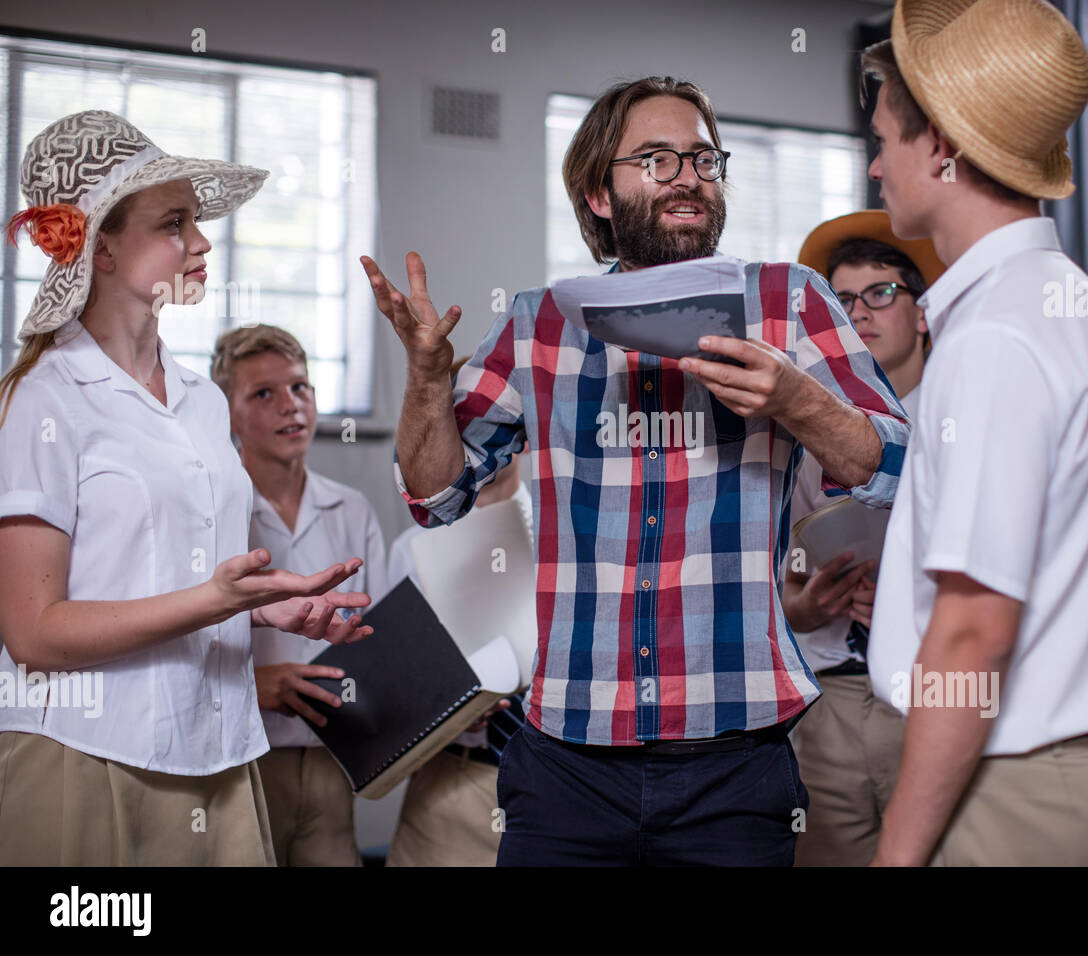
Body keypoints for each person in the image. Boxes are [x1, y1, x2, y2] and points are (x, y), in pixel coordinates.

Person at [362, 76, 910, 866]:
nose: (687, 175)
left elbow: (891, 467)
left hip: (737, 762)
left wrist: (796, 398)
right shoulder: (536, 321)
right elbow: (435, 495)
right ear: (598, 193)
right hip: (564, 765)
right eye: (655, 159)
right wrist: (424, 378)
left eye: (701, 158)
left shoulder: (791, 302)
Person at [0, 111, 373, 866]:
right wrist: (215, 602)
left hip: (219, 751)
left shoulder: (204, 401)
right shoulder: (44, 398)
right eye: (175, 223)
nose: (202, 243)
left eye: (196, 221)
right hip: (89, 754)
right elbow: (33, 633)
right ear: (99, 247)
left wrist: (279, 607)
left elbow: (181, 575)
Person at [862, 0, 1088, 866]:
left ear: (942, 149)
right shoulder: (1073, 300)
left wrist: (895, 859)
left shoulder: (994, 336)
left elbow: (973, 630)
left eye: (885, 138)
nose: (875, 165)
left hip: (1016, 799)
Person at [782, 211, 942, 865]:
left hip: (934, 691)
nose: (860, 312)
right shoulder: (805, 428)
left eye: (881, 293)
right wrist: (804, 606)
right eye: (842, 299)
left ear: (924, 312)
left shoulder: (968, 415)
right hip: (832, 701)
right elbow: (785, 572)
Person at [210, 323, 388, 867]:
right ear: (228, 414)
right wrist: (253, 683)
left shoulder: (351, 508)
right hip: (241, 759)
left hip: (333, 756)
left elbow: (382, 630)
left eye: (299, 387)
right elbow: (186, 629)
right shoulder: (213, 511)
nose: (291, 406)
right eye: (263, 394)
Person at [385, 359, 531, 867]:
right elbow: (391, 683)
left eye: (492, 422)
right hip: (452, 785)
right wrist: (448, 698)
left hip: (562, 785)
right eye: (459, 423)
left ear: (525, 432)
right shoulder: (411, 550)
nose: (478, 441)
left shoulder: (574, 538)